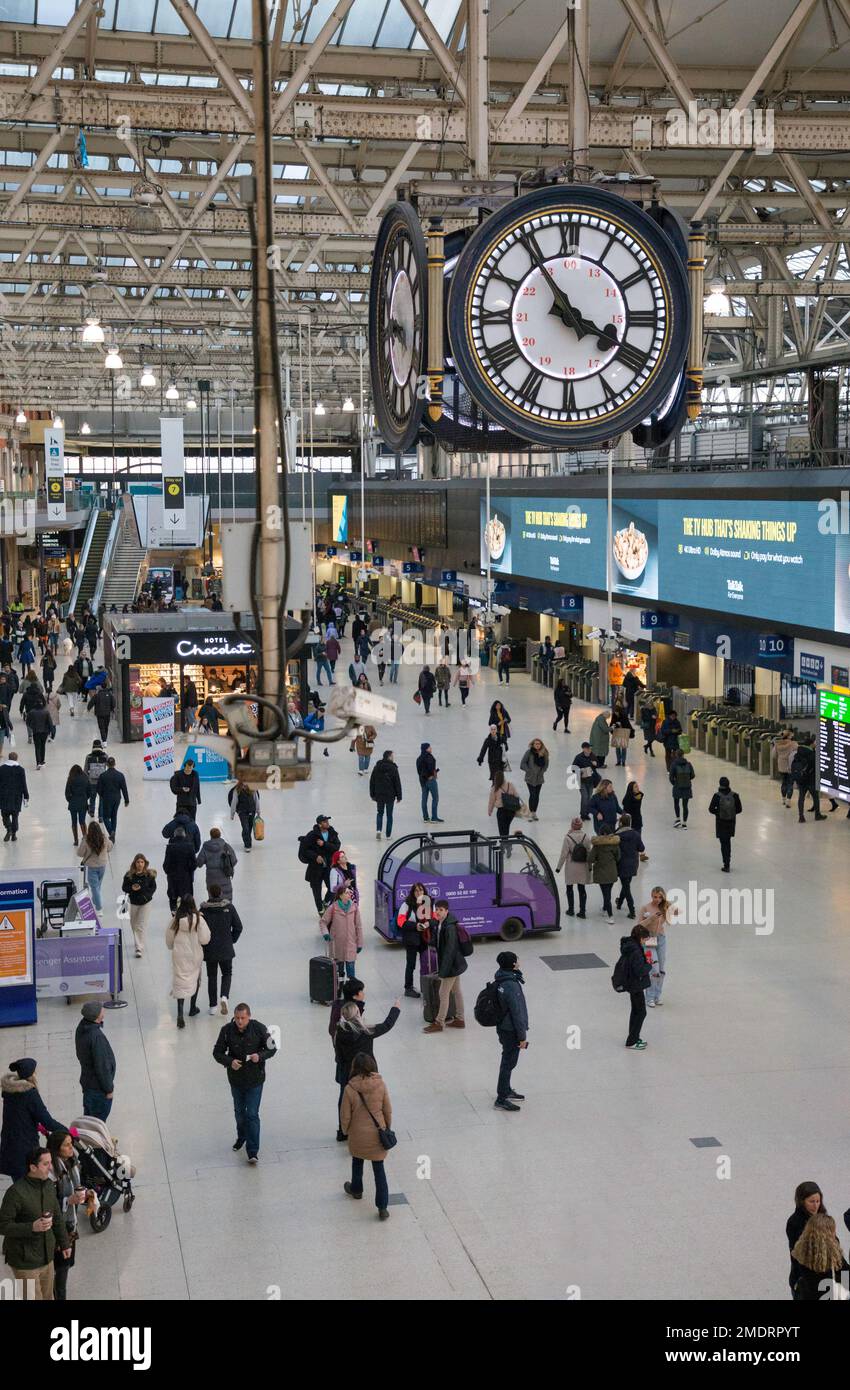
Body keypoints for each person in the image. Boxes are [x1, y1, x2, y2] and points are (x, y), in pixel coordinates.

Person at [0, 1146, 70, 1300]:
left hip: (47, 1256)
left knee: (48, 1297)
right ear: (33, 1167)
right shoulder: (16, 1193)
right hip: (24, 1260)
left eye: (50, 1162)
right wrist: (31, 1227)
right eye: (45, 1164)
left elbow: (57, 1217)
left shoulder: (48, 1186)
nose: (50, 1167)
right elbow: (3, 1225)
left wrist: (65, 1243)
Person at [212, 1002, 277, 1164]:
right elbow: (217, 1052)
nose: (240, 1021)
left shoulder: (259, 1029)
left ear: (249, 1017)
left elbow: (272, 1048)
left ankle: (253, 1151)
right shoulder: (226, 1031)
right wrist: (230, 1062)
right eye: (237, 1018)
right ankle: (241, 1136)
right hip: (236, 1080)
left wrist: (260, 1056)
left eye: (243, 1018)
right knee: (239, 1113)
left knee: (252, 1114)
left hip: (255, 1080)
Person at [334, 1001, 400, 1141]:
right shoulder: (366, 1031)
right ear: (357, 1014)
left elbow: (338, 1056)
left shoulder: (339, 1032)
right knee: (373, 1099)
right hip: (367, 1070)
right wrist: (395, 1008)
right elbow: (387, 1024)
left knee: (345, 1101)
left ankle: (343, 1130)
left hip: (347, 1072)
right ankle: (377, 1126)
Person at [340, 1054, 393, 1219]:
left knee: (357, 1161)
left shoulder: (350, 1089)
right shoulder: (381, 1084)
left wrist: (346, 1131)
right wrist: (387, 1128)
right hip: (377, 1134)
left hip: (358, 1134)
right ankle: (382, 1207)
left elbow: (345, 1116)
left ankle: (356, 1189)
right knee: (379, 1170)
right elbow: (387, 1110)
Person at [0, 1058, 64, 1181]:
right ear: (31, 1074)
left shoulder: (9, 1091)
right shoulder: (29, 1094)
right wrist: (67, 1132)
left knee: (18, 1182)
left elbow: (19, 1114)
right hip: (25, 1146)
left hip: (10, 1144)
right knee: (29, 1183)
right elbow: (47, 1121)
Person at [45, 1129, 87, 1301]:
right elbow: (48, 1205)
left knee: (66, 1265)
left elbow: (77, 1184)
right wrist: (68, 1201)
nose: (72, 1148)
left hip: (70, 1223)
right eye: (67, 1145)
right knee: (61, 1268)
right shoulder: (51, 1173)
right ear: (57, 1148)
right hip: (58, 1227)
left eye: (71, 1143)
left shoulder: (71, 1163)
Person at [490, 949, 529, 1112]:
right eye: (517, 959)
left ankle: (506, 1090)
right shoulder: (511, 985)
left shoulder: (501, 978)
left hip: (503, 1027)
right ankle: (501, 1097)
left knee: (508, 1060)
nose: (519, 961)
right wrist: (522, 1037)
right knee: (508, 1062)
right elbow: (516, 1012)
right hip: (511, 1030)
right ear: (513, 964)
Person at [422, 898, 467, 1034]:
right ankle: (460, 1019)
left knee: (443, 992)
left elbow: (450, 951)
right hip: (455, 964)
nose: (438, 912)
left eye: (441, 910)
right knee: (456, 991)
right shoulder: (441, 923)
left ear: (447, 911)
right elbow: (437, 942)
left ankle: (439, 1022)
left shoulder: (450, 927)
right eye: (436, 909)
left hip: (451, 965)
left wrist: (443, 972)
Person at [166, 895, 210, 1029]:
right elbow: (205, 939)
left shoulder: (176, 920)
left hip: (179, 954)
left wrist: (172, 946)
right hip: (195, 954)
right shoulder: (199, 920)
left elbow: (169, 939)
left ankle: (180, 1013)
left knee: (181, 980)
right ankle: (192, 1008)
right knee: (195, 979)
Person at [201, 884, 243, 1017]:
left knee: (212, 976)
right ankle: (224, 996)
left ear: (209, 893)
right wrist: (232, 940)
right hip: (226, 947)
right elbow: (238, 926)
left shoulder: (204, 910)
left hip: (210, 948)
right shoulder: (229, 908)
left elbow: (199, 929)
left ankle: (213, 1006)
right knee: (227, 973)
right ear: (220, 893)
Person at [790, 1214, 849, 1300]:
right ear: (828, 1233)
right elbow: (845, 1275)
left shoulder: (800, 1251)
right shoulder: (832, 1253)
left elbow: (794, 1278)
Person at [74, 1001, 116, 1120]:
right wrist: (109, 1089)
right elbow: (102, 1066)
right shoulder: (96, 1037)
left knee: (89, 1119)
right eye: (101, 1009)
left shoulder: (81, 1027)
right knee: (97, 1123)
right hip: (98, 1089)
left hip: (87, 1082)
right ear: (98, 1016)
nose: (104, 1010)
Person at [638, 885, 677, 1007]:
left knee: (661, 969)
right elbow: (639, 925)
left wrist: (669, 907)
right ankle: (649, 997)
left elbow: (675, 915)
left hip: (661, 939)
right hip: (648, 939)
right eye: (655, 897)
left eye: (660, 897)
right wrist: (650, 918)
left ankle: (657, 996)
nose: (657, 899)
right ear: (651, 896)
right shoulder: (646, 907)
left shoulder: (664, 906)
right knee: (653, 968)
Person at [787, 1182, 828, 1296]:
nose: (815, 1206)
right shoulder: (794, 1223)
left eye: (818, 1201)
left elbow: (835, 1248)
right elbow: (800, 1256)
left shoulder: (824, 1219)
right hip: (804, 1281)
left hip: (825, 1280)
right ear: (802, 1202)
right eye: (811, 1202)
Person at [321, 884, 364, 988]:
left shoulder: (354, 907)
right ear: (340, 895)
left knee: (351, 970)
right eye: (346, 892)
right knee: (339, 971)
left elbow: (359, 926)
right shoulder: (333, 907)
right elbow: (323, 922)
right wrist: (326, 934)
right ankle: (339, 989)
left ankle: (351, 990)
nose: (349, 894)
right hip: (337, 944)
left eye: (349, 892)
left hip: (350, 943)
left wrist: (360, 943)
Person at [396, 882, 432, 999]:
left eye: (421, 890)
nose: (419, 893)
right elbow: (400, 922)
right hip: (411, 938)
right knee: (411, 964)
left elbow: (435, 918)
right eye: (416, 891)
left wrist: (428, 923)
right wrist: (415, 926)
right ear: (413, 892)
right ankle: (408, 987)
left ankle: (425, 986)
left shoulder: (429, 902)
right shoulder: (406, 904)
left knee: (425, 963)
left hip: (425, 938)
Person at [298, 814, 341, 915]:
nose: (327, 823)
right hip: (315, 868)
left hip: (329, 867)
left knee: (333, 888)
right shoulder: (312, 835)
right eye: (325, 822)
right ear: (320, 824)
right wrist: (315, 856)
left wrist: (324, 844)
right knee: (316, 891)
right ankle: (320, 909)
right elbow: (305, 850)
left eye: (327, 821)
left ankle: (326, 902)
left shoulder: (332, 833)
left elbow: (337, 846)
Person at [618, 924, 652, 1049]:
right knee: (641, 1012)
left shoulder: (630, 946)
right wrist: (648, 964)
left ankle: (633, 1037)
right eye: (644, 939)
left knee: (636, 1011)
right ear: (640, 938)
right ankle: (632, 1040)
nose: (645, 941)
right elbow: (640, 971)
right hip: (636, 984)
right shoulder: (636, 951)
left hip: (631, 983)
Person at [121, 853, 157, 958]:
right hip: (133, 902)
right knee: (133, 924)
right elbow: (124, 888)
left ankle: (139, 947)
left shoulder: (149, 875)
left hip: (146, 903)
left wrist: (146, 894)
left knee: (141, 925)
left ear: (145, 863)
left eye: (142, 862)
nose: (140, 864)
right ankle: (138, 941)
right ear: (134, 863)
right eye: (138, 862)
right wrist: (132, 888)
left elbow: (153, 888)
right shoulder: (129, 875)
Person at [555, 817, 590, 918]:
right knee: (582, 889)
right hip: (583, 866)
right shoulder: (586, 837)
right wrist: (590, 867)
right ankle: (582, 911)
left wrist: (558, 867)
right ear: (581, 826)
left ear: (572, 825)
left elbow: (563, 854)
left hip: (571, 866)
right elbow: (589, 852)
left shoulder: (568, 838)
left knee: (569, 887)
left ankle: (571, 910)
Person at [76, 820, 112, 912]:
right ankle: (95, 901)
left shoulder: (87, 839)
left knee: (95, 887)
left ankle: (99, 907)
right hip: (102, 865)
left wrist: (83, 840)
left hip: (91, 866)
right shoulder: (104, 838)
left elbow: (80, 853)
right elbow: (110, 847)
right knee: (97, 886)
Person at [708, 776, 742, 872]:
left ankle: (726, 864)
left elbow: (710, 809)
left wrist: (718, 813)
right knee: (728, 842)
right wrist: (731, 813)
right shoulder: (735, 795)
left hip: (720, 823)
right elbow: (739, 809)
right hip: (731, 823)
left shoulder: (717, 796)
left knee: (723, 843)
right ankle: (728, 862)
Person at [196, 825, 238, 902]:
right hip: (224, 876)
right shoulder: (226, 846)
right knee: (226, 898)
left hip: (211, 878)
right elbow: (234, 860)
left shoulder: (206, 847)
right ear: (220, 835)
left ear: (211, 835)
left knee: (213, 897)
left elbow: (199, 863)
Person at [588, 826, 620, 924]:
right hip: (612, 872)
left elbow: (590, 859)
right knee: (608, 892)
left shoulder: (597, 846)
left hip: (601, 873)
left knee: (606, 895)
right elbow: (618, 857)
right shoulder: (615, 844)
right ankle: (605, 908)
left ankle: (610, 916)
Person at [614, 813, 644, 919]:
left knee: (626, 886)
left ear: (621, 823)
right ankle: (620, 903)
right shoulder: (635, 834)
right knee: (626, 884)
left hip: (621, 864)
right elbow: (641, 848)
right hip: (633, 864)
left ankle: (632, 911)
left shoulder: (617, 836)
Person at [791, 734, 826, 823]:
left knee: (801, 797)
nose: (815, 744)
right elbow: (816, 767)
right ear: (810, 744)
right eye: (814, 743)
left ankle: (801, 817)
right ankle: (817, 815)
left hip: (801, 779)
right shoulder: (812, 754)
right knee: (815, 797)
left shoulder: (798, 752)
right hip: (811, 779)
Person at [95, 756, 130, 843]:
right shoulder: (120, 775)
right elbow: (124, 788)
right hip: (117, 798)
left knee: (106, 817)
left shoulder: (103, 776)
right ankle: (113, 832)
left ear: (107, 764)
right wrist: (126, 800)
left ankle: (111, 832)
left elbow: (98, 789)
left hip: (107, 798)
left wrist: (102, 796)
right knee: (114, 816)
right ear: (114, 764)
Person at [369, 749, 402, 841]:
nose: (393, 757)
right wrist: (399, 796)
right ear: (389, 757)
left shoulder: (377, 767)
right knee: (389, 815)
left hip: (379, 794)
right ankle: (388, 835)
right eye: (392, 756)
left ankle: (378, 831)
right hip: (390, 795)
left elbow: (372, 781)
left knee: (380, 813)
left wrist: (372, 794)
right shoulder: (393, 768)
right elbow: (397, 783)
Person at [164, 824, 197, 912]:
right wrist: (189, 871)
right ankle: (186, 916)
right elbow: (194, 863)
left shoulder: (170, 847)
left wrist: (169, 872)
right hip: (186, 877)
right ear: (184, 835)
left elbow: (166, 864)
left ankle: (174, 915)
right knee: (186, 898)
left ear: (174, 835)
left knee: (173, 898)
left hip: (173, 878)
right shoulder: (190, 846)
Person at [0, 750, 28, 842]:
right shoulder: (20, 770)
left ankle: (8, 829)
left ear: (9, 758)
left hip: (4, 795)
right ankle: (14, 834)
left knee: (5, 814)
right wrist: (26, 795)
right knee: (15, 815)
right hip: (16, 796)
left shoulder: (2, 769)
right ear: (17, 759)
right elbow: (23, 784)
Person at [488, 768, 521, 842]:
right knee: (506, 828)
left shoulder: (494, 788)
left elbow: (491, 801)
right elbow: (517, 796)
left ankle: (505, 845)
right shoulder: (510, 785)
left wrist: (490, 811)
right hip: (511, 811)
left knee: (502, 831)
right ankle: (507, 845)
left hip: (501, 811)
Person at [519, 738, 548, 821]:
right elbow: (523, 763)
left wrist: (542, 771)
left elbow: (546, 764)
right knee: (533, 794)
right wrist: (528, 771)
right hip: (530, 778)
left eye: (539, 744)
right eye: (536, 744)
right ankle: (531, 812)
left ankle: (534, 812)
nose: (537, 745)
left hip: (539, 778)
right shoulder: (529, 753)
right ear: (533, 744)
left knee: (537, 795)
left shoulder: (544, 753)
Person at [572, 741, 600, 821]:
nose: (589, 750)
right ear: (583, 749)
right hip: (582, 781)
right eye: (587, 748)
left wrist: (596, 764)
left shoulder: (593, 756)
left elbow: (598, 765)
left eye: (590, 748)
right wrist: (581, 770)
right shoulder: (578, 757)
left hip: (591, 781)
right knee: (584, 797)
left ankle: (586, 813)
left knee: (589, 797)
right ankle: (583, 814)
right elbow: (573, 768)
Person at [668, 747, 696, 827]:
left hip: (677, 786)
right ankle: (684, 822)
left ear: (676, 755)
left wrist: (675, 783)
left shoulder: (674, 764)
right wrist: (687, 779)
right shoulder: (688, 764)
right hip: (687, 787)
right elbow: (693, 775)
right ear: (683, 755)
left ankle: (678, 819)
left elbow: (671, 777)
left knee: (676, 803)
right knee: (685, 805)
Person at [416, 741, 443, 823]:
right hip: (430, 780)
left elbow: (419, 771)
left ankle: (425, 817)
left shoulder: (419, 758)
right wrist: (432, 775)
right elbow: (431, 768)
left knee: (424, 798)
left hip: (422, 781)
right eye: (429, 747)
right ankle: (434, 817)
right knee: (435, 798)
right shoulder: (429, 757)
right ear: (426, 749)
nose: (431, 748)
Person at [26, 693, 54, 769]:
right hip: (45, 732)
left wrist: (32, 727)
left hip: (36, 732)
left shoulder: (31, 712)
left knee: (37, 747)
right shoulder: (46, 712)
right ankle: (42, 761)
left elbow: (27, 722)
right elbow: (50, 723)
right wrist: (51, 732)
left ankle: (38, 762)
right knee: (43, 746)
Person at [772, 728, 798, 809]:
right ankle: (788, 801)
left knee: (784, 782)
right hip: (790, 766)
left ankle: (783, 799)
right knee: (790, 783)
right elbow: (797, 753)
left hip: (781, 765)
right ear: (789, 736)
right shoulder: (793, 744)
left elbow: (773, 755)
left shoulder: (777, 744)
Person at [83, 739, 109, 817]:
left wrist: (88, 779)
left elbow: (85, 770)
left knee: (92, 798)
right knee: (101, 799)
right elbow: (109, 767)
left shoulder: (89, 757)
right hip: (102, 782)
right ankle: (100, 815)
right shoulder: (105, 756)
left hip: (92, 782)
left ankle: (92, 812)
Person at [609, 702, 633, 767]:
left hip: (623, 732)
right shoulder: (614, 715)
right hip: (616, 732)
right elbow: (611, 723)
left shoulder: (624, 715)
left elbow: (627, 724)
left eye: (617, 712)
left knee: (624, 747)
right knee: (617, 748)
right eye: (615, 712)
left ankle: (623, 761)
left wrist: (621, 724)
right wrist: (614, 725)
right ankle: (618, 761)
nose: (616, 713)